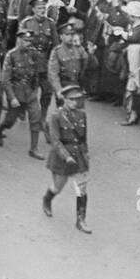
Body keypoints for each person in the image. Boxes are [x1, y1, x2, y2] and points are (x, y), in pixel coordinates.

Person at [42, 84, 92, 233]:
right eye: (71, 99)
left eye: (77, 99)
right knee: (57, 187)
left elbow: (83, 137)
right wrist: (67, 157)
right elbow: (55, 141)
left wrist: (86, 152)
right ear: (64, 99)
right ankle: (47, 199)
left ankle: (80, 220)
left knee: (82, 189)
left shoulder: (82, 114)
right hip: (62, 158)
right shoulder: (56, 116)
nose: (75, 102)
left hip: (78, 156)